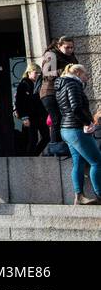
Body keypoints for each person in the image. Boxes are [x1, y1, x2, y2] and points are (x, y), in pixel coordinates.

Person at [56, 64, 101, 206]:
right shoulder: (74, 84)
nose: (87, 77)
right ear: (77, 72)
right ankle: (99, 195)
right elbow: (76, 108)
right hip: (76, 129)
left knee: (79, 163)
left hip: (66, 129)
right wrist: (88, 122)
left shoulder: (61, 85)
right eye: (85, 74)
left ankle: (79, 197)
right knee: (97, 161)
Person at [41, 37, 78, 147]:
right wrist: (66, 70)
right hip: (50, 92)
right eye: (67, 47)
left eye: (72, 47)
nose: (70, 50)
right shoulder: (51, 54)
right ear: (59, 46)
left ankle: (65, 145)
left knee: (67, 119)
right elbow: (47, 74)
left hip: (63, 91)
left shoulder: (71, 56)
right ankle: (55, 146)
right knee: (56, 119)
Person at [15, 64, 49, 156]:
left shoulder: (38, 84)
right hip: (30, 117)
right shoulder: (24, 84)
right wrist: (25, 117)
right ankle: (30, 158)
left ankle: (34, 155)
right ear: (29, 73)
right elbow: (19, 103)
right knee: (32, 139)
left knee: (46, 137)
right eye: (36, 72)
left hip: (39, 117)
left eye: (39, 73)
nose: (38, 74)